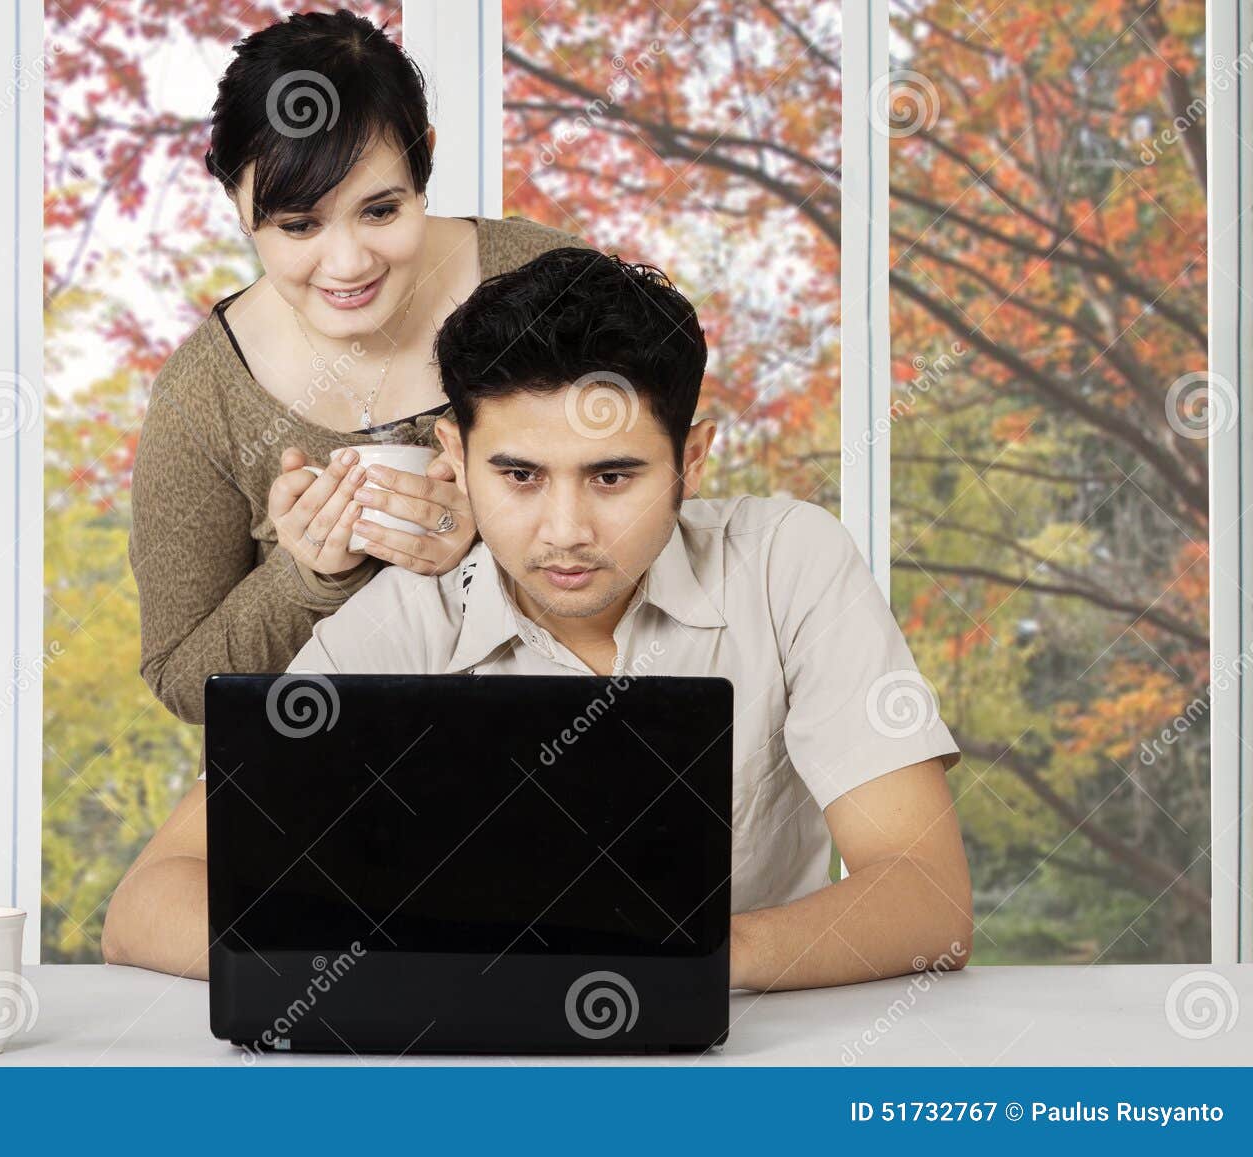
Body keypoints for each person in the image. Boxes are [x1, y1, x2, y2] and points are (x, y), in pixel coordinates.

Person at [103, 246, 974, 990]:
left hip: (745, 1060)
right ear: (457, 458)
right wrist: (423, 967)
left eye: (612, 477)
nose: (565, 532)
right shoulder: (404, 618)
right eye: (519, 476)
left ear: (692, 459)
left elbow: (928, 897)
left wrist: (684, 957)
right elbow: (148, 903)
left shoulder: (789, 563)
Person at [130, 9, 592, 726]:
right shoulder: (205, 398)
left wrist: (499, 533)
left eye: (380, 211)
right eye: (299, 225)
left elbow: (658, 525)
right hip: (316, 768)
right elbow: (184, 679)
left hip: (551, 738)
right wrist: (311, 577)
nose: (348, 265)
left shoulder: (555, 287)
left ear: (424, 160)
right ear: (236, 201)